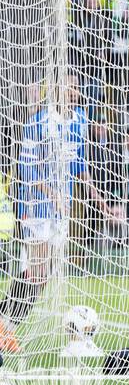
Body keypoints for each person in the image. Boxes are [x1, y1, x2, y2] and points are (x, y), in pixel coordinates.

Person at [1, 79, 108, 362]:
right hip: (36, 207)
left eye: (76, 86)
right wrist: (52, 195)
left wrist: (99, 199)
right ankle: (5, 327)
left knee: (41, 276)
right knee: (37, 272)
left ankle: (5, 326)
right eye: (69, 86)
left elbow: (79, 163)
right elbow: (26, 169)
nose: (75, 91)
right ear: (57, 90)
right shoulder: (38, 122)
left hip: (61, 209)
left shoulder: (80, 120)